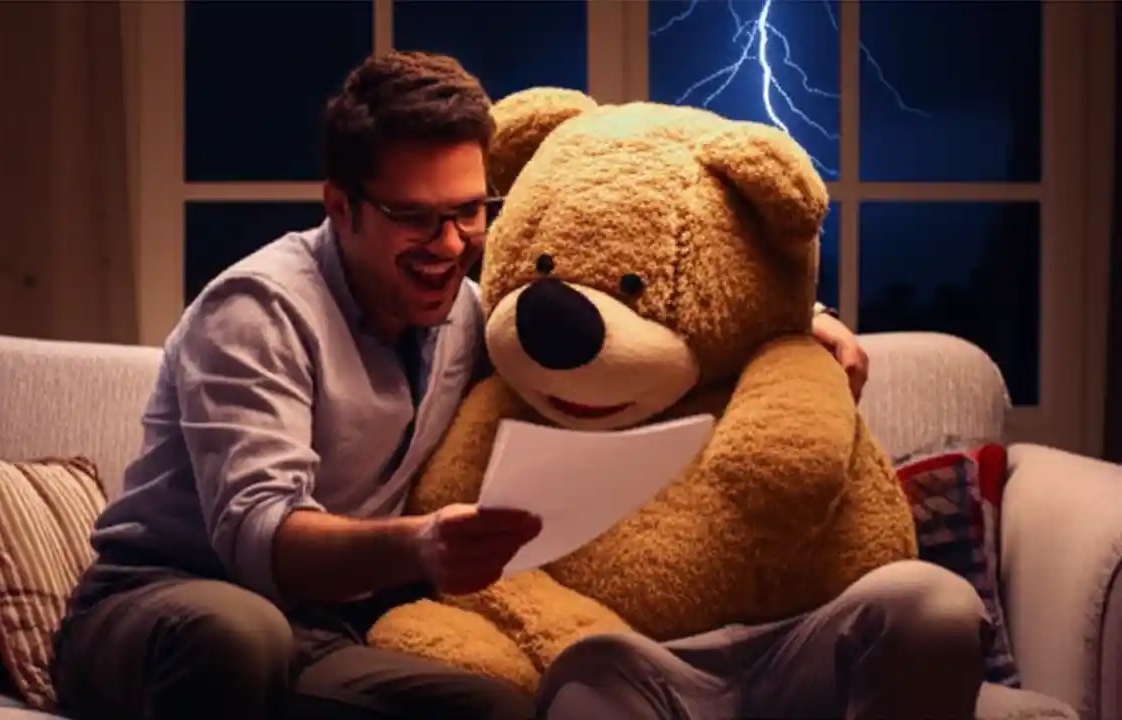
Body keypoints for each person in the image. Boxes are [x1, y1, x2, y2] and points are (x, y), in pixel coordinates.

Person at [48, 49, 910, 720]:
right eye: (413, 217)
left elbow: (611, 332)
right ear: (339, 206)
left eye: (469, 211)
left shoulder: (463, 312)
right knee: (236, 634)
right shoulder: (257, 310)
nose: (451, 242)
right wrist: (419, 549)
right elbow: (259, 538)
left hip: (319, 630)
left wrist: (804, 322)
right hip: (160, 610)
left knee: (491, 707)